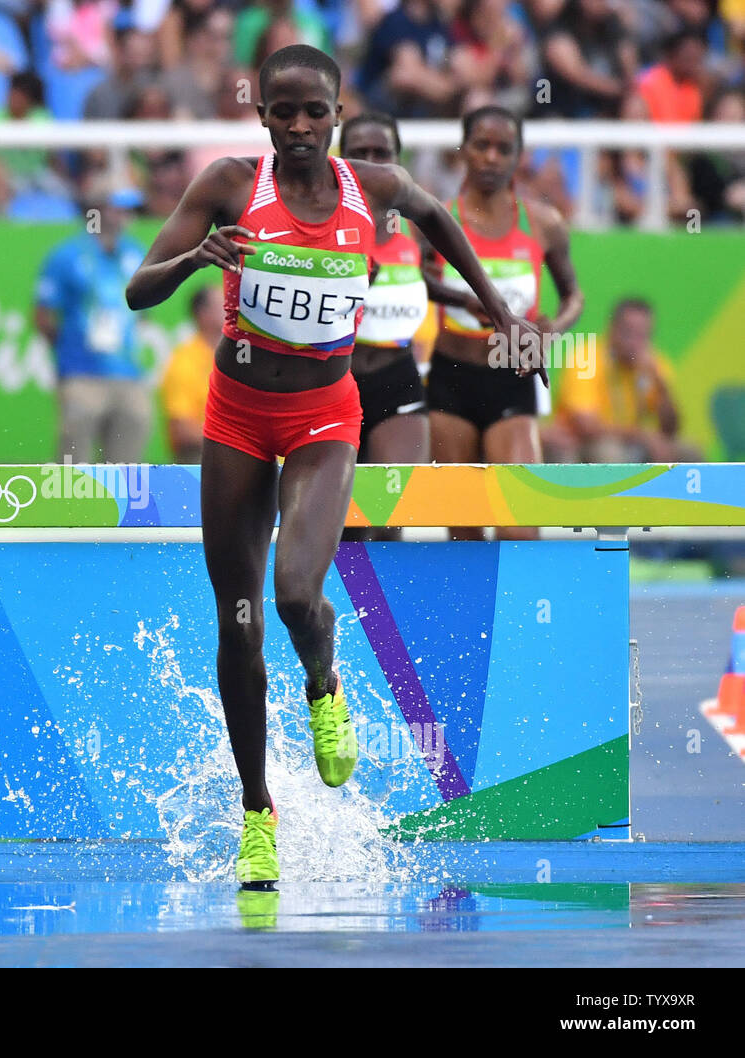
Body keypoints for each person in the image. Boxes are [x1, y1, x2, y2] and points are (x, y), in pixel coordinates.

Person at [125, 45, 539, 889]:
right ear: (263, 116)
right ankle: (257, 813)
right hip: (237, 417)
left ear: (339, 114)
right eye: (285, 111)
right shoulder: (230, 186)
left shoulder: (372, 190)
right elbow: (138, 288)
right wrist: (192, 262)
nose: (301, 126)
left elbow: (441, 221)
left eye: (316, 111)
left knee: (292, 594)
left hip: (322, 416)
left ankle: (323, 680)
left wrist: (499, 310)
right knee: (237, 624)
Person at [423, 104, 583, 542]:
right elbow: (419, 281)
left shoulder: (543, 223)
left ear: (518, 156)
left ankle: (525, 611)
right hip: (451, 376)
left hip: (512, 376)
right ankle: (468, 612)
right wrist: (466, 299)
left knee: (519, 522)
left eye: (503, 149)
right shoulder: (436, 219)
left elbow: (574, 296)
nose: (492, 157)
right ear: (464, 150)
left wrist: (554, 329)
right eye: (482, 145)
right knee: (464, 524)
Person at [339, 113, 431, 490]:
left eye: (382, 153)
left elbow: (432, 282)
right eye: (360, 153)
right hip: (332, 380)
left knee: (391, 509)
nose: (372, 164)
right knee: (339, 519)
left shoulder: (418, 222)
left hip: (397, 378)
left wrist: (490, 308)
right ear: (340, 159)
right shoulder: (315, 218)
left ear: (399, 159)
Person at [36, 179, 153, 463]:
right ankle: (67, 507)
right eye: (118, 208)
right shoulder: (66, 255)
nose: (126, 216)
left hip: (128, 371)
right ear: (96, 210)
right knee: (74, 460)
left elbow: (143, 312)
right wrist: (69, 351)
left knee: (129, 460)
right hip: (82, 372)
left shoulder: (136, 252)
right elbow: (44, 315)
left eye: (128, 210)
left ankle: (124, 507)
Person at [544, 298, 699, 463]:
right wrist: (642, 436)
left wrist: (659, 383)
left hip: (631, 442)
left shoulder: (653, 364)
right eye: (628, 333)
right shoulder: (587, 358)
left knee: (689, 452)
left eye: (642, 335)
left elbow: (671, 428)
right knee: (609, 453)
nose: (634, 343)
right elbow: (587, 426)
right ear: (612, 329)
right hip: (583, 442)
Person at [160, 284, 224, 463]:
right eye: (224, 304)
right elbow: (182, 429)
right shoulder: (183, 361)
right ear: (203, 315)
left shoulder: (241, 355)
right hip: (203, 454)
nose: (234, 308)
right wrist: (234, 441)